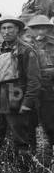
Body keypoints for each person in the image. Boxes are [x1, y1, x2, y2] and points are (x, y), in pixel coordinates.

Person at [0, 15, 41, 158]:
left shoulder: (26, 51)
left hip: (16, 99)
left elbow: (34, 81)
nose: (6, 31)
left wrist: (27, 103)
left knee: (21, 140)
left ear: (17, 30)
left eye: (10, 27)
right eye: (3, 28)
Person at [26, 16, 54, 153]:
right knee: (29, 124)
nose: (40, 31)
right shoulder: (25, 45)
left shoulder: (53, 44)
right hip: (29, 90)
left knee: (49, 123)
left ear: (48, 29)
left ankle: (51, 149)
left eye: (44, 27)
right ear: (31, 30)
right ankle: (31, 155)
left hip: (48, 89)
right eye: (36, 28)